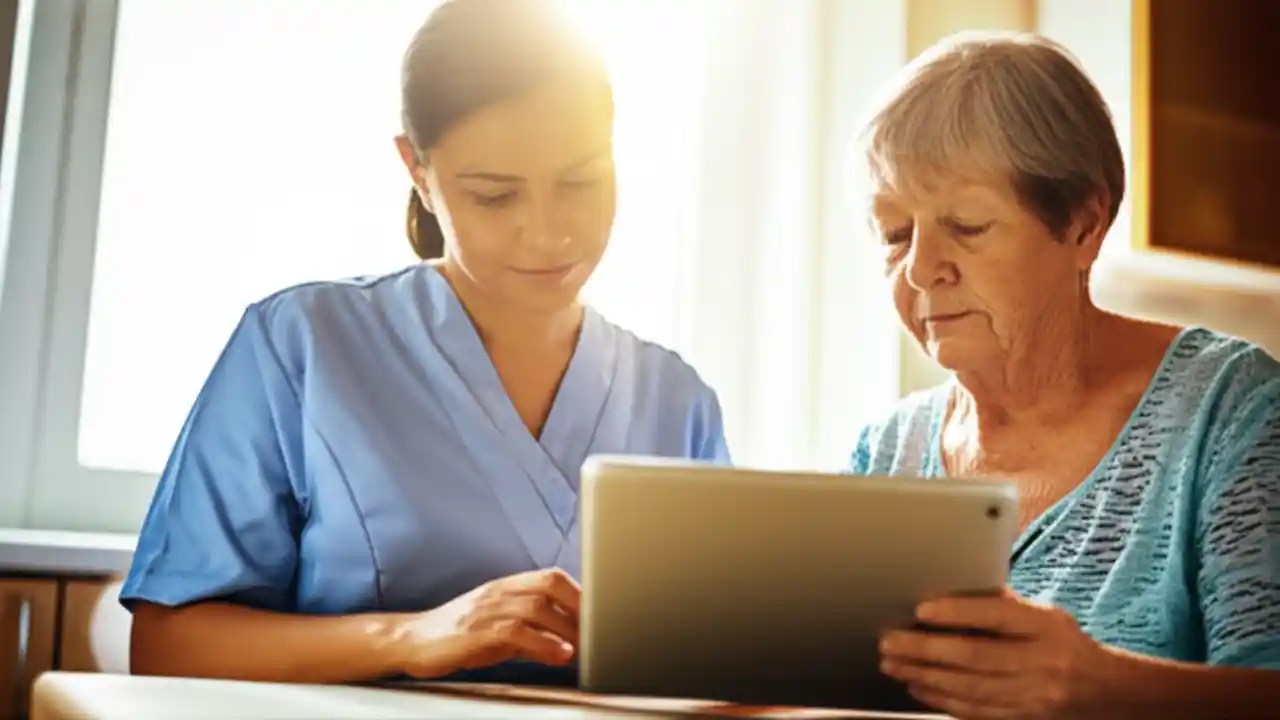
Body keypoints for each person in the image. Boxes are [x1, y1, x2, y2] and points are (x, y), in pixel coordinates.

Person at [122, 0, 729, 685]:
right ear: (419, 170)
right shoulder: (302, 345)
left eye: (582, 181)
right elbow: (167, 649)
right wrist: (411, 636)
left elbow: (719, 655)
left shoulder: (679, 404)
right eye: (496, 196)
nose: (549, 232)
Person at [848, 31, 1280, 719]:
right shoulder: (885, 454)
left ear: (1084, 224)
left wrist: (1096, 686)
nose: (921, 267)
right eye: (895, 234)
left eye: (967, 225)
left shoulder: (1231, 412)